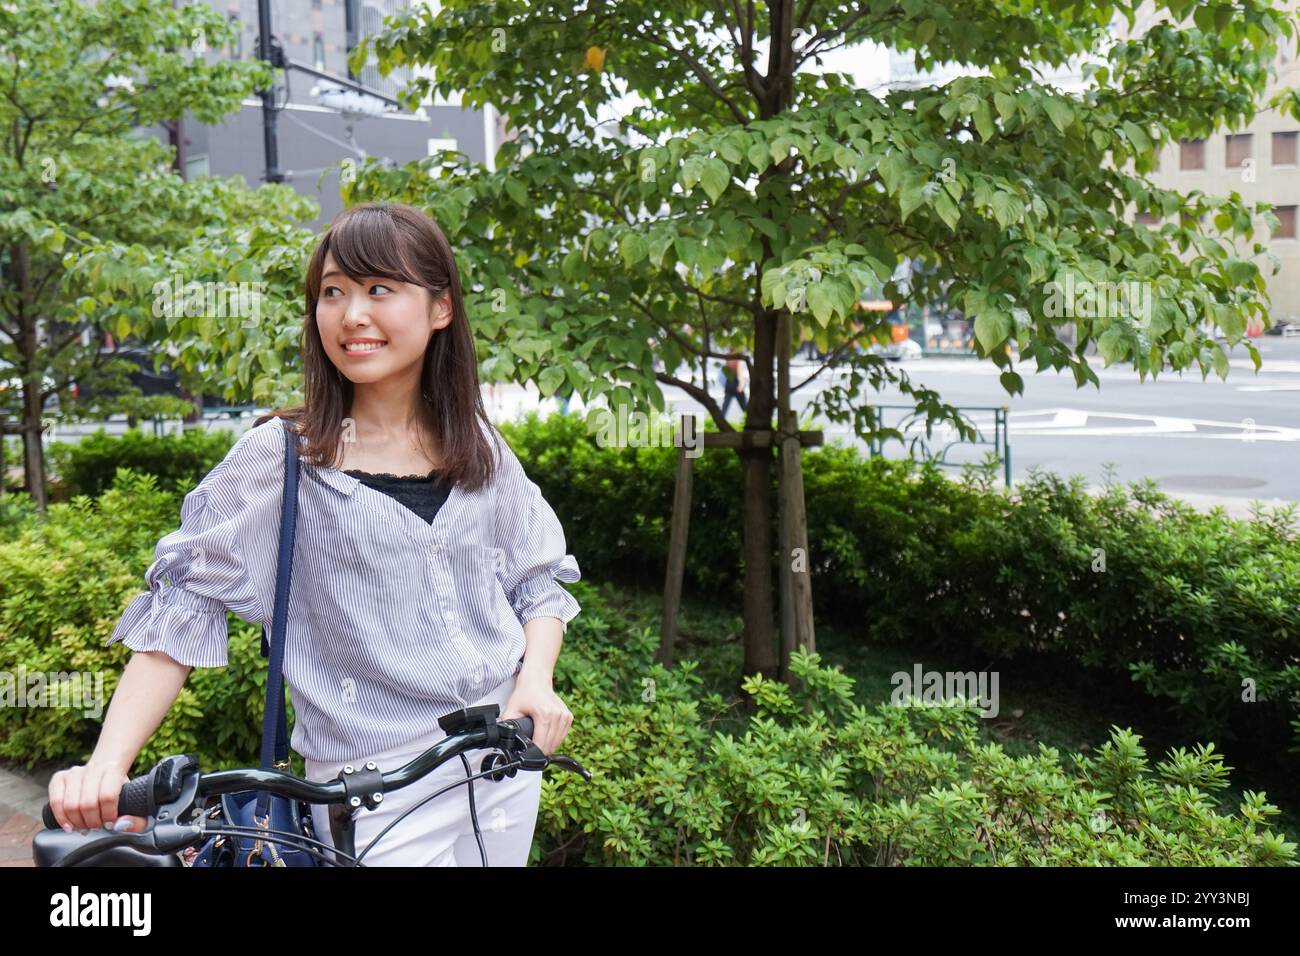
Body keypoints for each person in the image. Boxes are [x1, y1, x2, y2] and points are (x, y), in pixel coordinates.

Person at [46, 201, 582, 866]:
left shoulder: (477, 446)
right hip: (374, 786)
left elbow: (537, 576)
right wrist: (108, 765)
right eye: (333, 293)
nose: (352, 314)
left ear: (440, 308)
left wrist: (537, 682)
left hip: (502, 756)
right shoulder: (283, 456)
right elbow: (185, 601)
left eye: (379, 289)